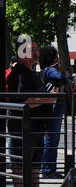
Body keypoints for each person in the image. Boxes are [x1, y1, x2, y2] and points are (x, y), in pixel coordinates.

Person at [3, 42, 53, 187]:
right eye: (34, 50)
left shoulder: (31, 72)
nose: (38, 53)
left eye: (38, 50)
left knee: (35, 160)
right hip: (23, 126)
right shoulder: (18, 73)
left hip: (36, 125)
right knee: (20, 160)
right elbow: (20, 102)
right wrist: (46, 99)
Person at [39, 46, 69, 177]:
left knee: (52, 137)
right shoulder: (50, 70)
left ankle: (49, 168)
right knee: (51, 138)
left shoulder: (47, 70)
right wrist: (63, 73)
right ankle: (47, 169)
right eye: (56, 55)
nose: (58, 57)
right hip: (53, 106)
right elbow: (64, 78)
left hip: (55, 106)